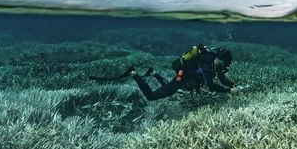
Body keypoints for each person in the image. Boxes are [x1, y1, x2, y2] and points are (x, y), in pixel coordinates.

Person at [91, 44, 237, 101]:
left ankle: (154, 73)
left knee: (173, 87)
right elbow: (211, 86)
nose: (222, 67)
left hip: (183, 82)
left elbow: (222, 78)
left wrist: (233, 85)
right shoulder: (206, 63)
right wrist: (229, 90)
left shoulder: (214, 64)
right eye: (222, 63)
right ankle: (133, 73)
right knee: (151, 96)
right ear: (218, 59)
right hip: (181, 81)